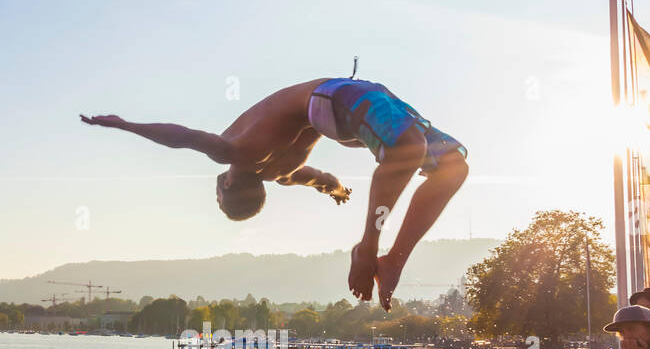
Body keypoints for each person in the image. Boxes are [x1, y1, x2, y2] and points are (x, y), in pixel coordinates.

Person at [81, 76, 469, 311]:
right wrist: (125, 125)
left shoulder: (284, 174)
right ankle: (382, 254)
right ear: (228, 184)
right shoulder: (235, 152)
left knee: (423, 155)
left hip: (346, 106)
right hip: (343, 100)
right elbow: (181, 137)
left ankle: (384, 254)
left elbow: (321, 178)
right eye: (218, 196)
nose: (217, 189)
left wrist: (335, 190)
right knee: (448, 165)